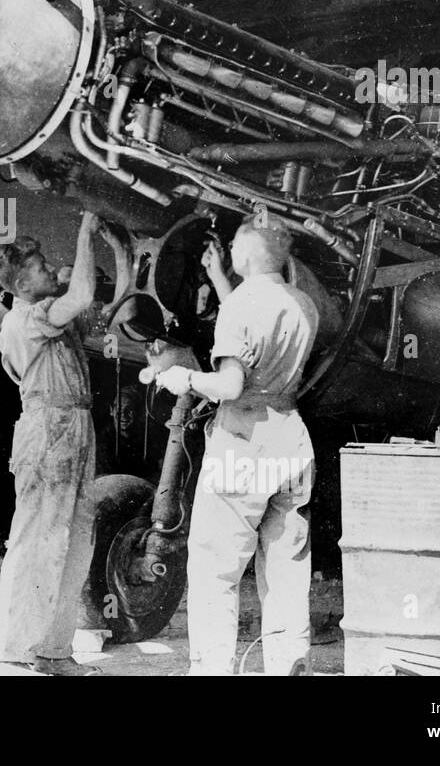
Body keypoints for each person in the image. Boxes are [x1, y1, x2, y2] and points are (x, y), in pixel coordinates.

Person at [145, 212, 318, 675]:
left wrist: (183, 378)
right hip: (290, 437)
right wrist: (221, 279)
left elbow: (230, 384)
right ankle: (288, 664)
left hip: (243, 440)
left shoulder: (242, 305)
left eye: (235, 247)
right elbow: (255, 327)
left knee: (216, 567)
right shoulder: (303, 303)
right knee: (285, 566)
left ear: (248, 253)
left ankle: (212, 669)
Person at [0, 210, 104, 676]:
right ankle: (19, 648)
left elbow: (98, 309)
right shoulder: (25, 319)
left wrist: (116, 254)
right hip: (47, 429)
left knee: (75, 541)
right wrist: (86, 232)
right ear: (21, 285)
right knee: (38, 539)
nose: (50, 269)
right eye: (40, 268)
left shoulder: (51, 316)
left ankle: (54, 650)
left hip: (75, 424)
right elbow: (82, 295)